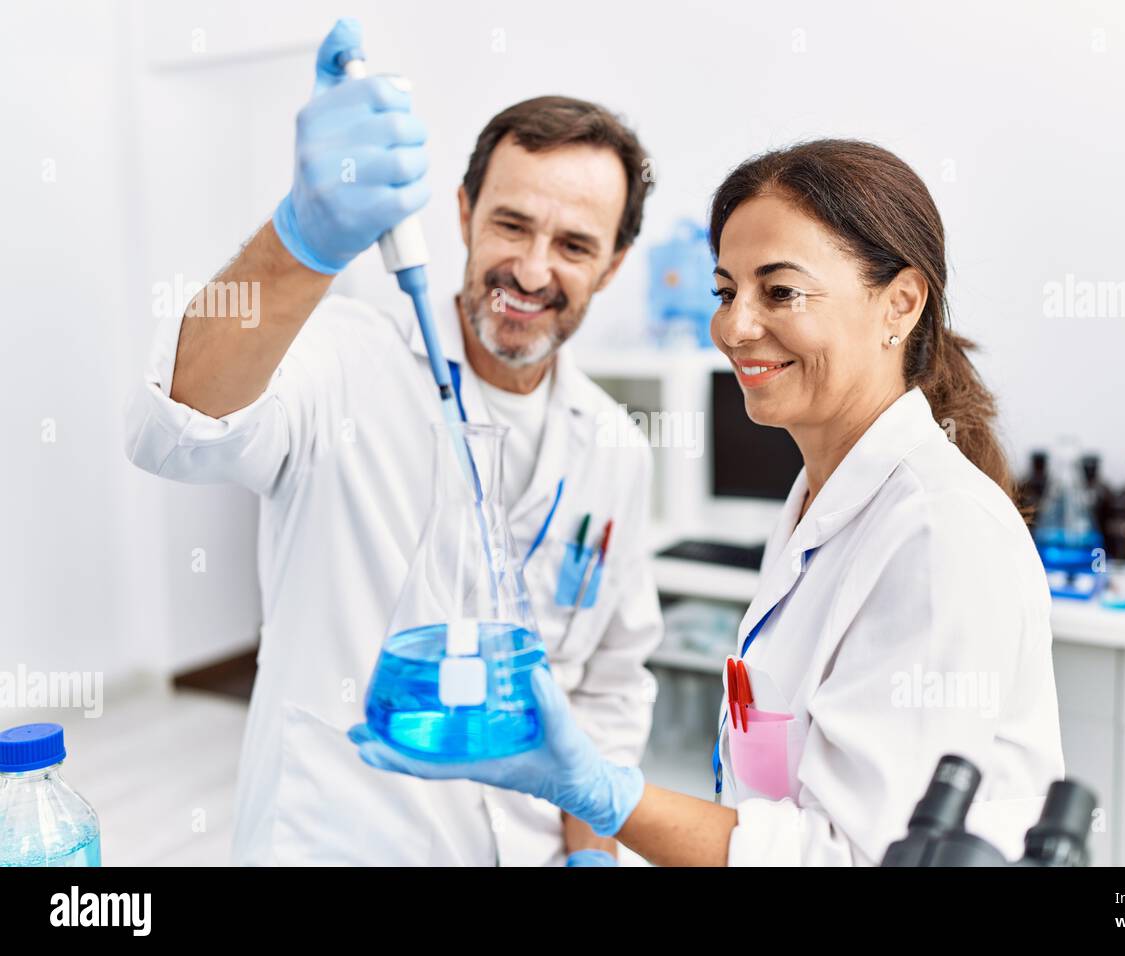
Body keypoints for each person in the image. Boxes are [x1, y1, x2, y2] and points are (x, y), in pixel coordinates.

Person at [351, 139, 1065, 866]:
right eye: (726, 292)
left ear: (901, 303)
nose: (734, 326)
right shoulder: (820, 504)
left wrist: (606, 794)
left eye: (779, 291)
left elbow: (854, 856)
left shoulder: (939, 533)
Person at [123, 19, 662, 866]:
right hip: (340, 839)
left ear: (615, 264)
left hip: (528, 851)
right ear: (461, 212)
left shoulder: (617, 448)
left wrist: (591, 849)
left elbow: (609, 684)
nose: (530, 269)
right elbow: (176, 430)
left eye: (573, 246)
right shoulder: (343, 355)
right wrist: (297, 242)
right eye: (511, 225)